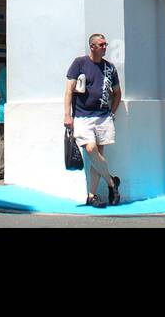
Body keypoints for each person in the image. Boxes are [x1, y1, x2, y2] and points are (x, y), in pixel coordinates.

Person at [64, 34, 121, 207]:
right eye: (101, 44)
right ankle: (111, 182)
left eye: (105, 44)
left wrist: (112, 113)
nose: (105, 47)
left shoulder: (110, 68)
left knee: (98, 158)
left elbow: (117, 93)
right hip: (83, 116)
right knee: (91, 149)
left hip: (103, 117)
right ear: (92, 46)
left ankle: (91, 195)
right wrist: (67, 115)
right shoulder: (79, 63)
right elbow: (69, 90)